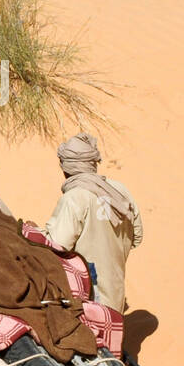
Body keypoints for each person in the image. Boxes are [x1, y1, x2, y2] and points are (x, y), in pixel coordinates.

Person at [45, 133, 142, 311]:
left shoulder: (75, 197)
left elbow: (57, 245)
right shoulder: (120, 191)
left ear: (66, 167)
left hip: (88, 292)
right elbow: (137, 236)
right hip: (116, 289)